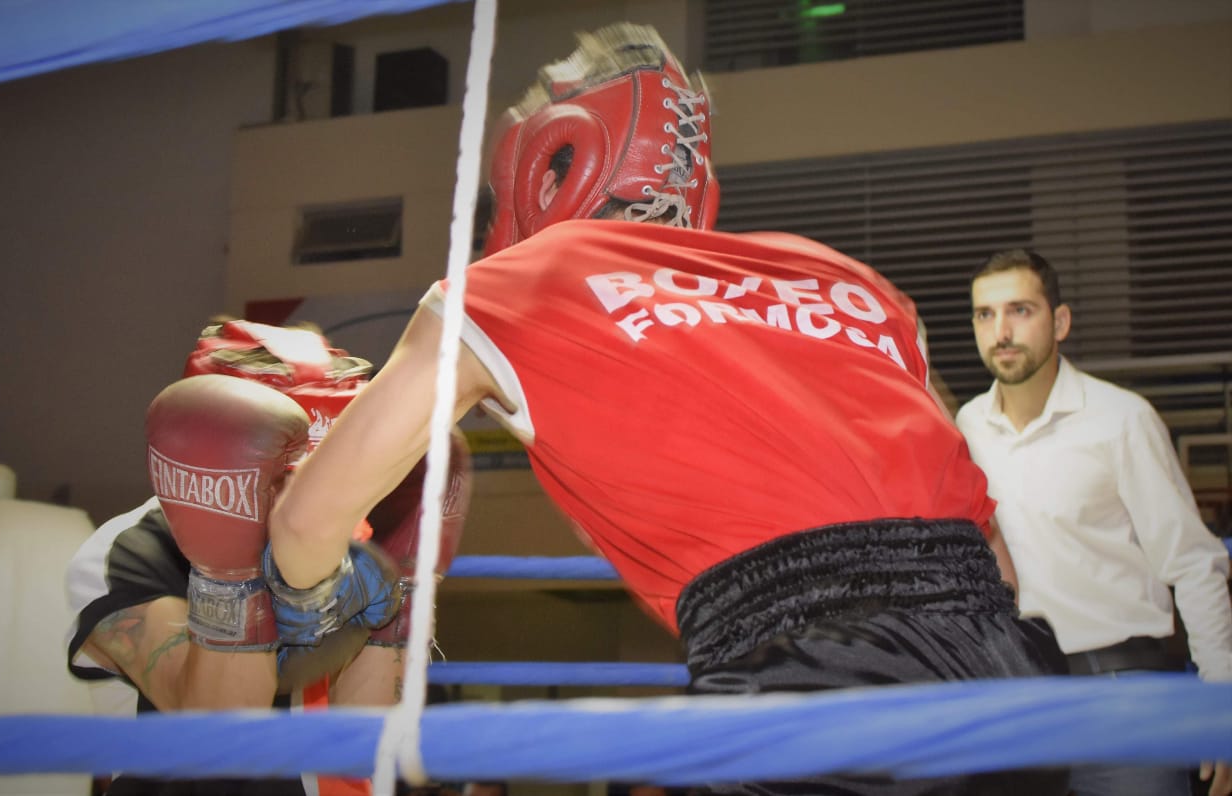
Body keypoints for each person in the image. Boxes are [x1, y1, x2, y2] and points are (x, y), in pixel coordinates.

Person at [267, 23, 1069, 795]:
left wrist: (323, 605)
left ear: (550, 163)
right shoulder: (844, 277)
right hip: (1008, 664)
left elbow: (306, 523)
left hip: (808, 665)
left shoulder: (515, 284)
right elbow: (986, 542)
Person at [66, 319, 471, 796]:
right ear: (224, 459)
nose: (310, 493)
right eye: (293, 470)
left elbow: (364, 739)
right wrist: (232, 577)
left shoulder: (350, 536)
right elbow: (220, 736)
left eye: (326, 466)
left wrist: (402, 592)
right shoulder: (126, 551)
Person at [955, 248, 1232, 796]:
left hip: (1125, 697)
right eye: (985, 315)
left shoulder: (1121, 419)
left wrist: (1219, 702)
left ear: (1059, 321)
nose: (1001, 331)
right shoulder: (967, 428)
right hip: (1017, 702)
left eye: (1020, 310)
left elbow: (1194, 565)